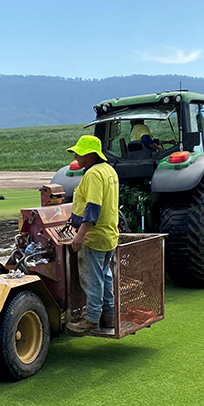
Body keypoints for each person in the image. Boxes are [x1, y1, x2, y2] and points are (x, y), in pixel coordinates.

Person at [66, 134, 119, 335]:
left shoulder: (94, 174)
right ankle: (109, 317)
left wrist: (80, 234)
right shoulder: (109, 171)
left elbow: (93, 207)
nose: (76, 156)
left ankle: (91, 320)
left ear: (90, 154)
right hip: (109, 234)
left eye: (79, 153)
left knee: (93, 280)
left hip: (94, 237)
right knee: (105, 276)